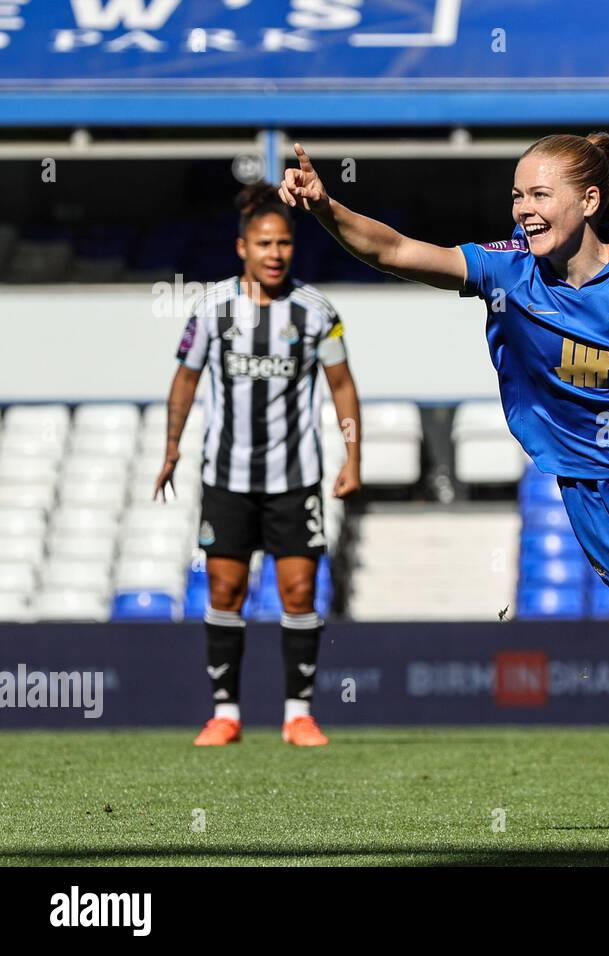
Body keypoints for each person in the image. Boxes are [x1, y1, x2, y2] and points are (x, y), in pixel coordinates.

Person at [279, 132, 609, 838]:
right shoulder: (506, 270)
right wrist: (326, 207)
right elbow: (393, 249)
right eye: (516, 195)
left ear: (589, 201)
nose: (523, 209)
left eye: (540, 194)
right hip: (586, 483)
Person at [155, 183, 363, 748]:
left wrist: (353, 455)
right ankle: (225, 712)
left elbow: (341, 386)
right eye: (264, 243)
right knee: (225, 592)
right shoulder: (210, 309)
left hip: (295, 481)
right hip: (226, 478)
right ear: (242, 247)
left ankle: (298, 714)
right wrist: (172, 447)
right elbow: (184, 380)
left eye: (285, 244)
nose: (275, 253)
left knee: (299, 593)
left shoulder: (317, 312)